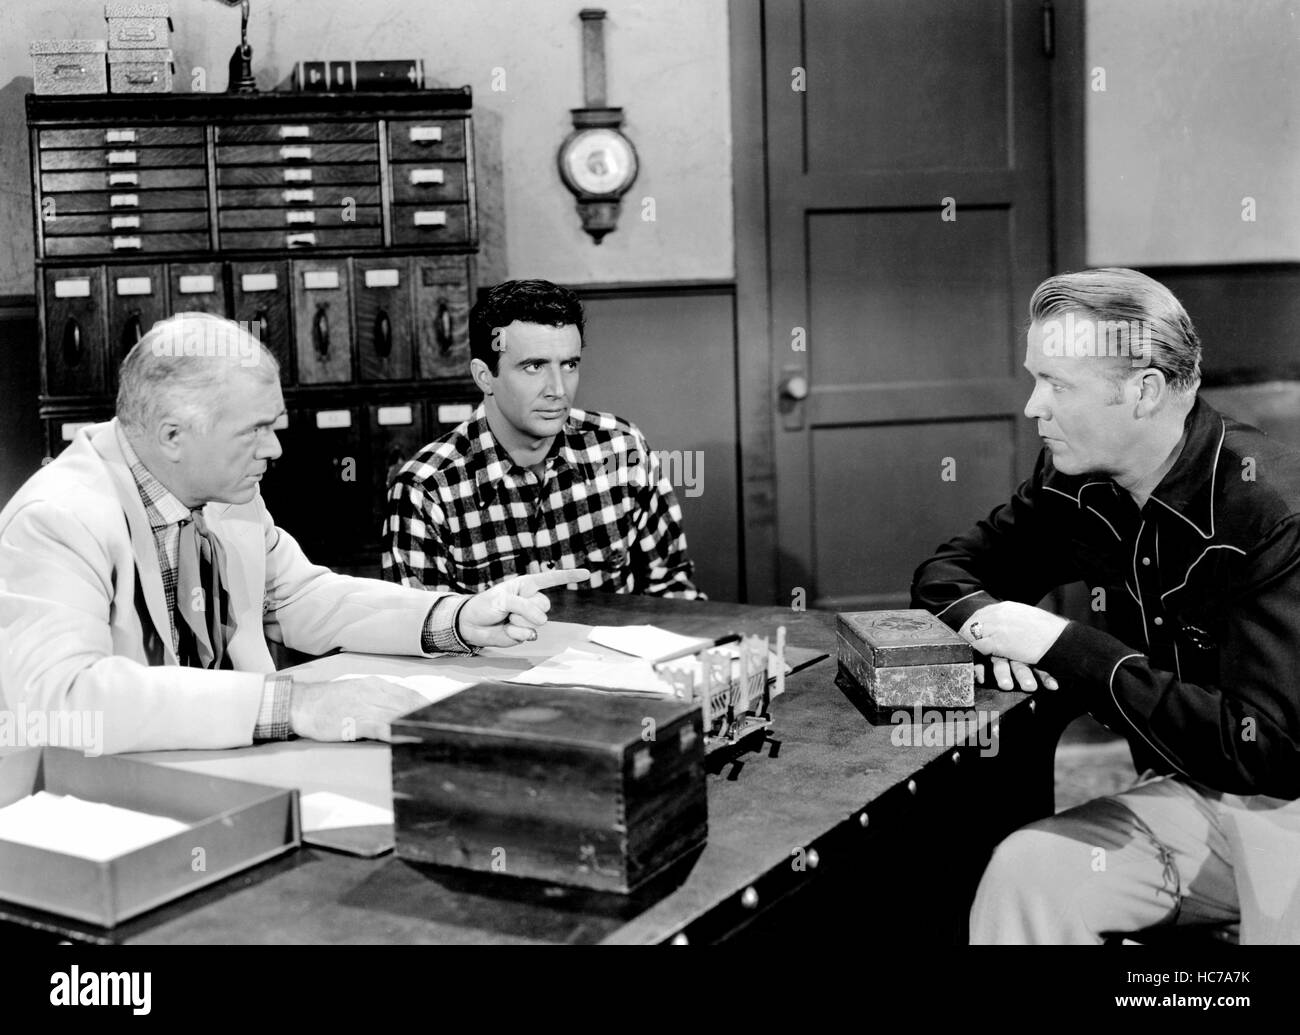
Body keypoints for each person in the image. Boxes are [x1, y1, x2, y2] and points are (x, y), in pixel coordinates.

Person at [911, 267, 1300, 944]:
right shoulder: (1080, 484)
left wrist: (1066, 645)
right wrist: (995, 626)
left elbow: (1267, 749)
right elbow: (949, 572)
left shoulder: (1269, 510)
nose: (1034, 406)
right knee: (1027, 873)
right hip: (1190, 799)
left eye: (1056, 383)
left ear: (1144, 392)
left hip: (1287, 805)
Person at [0, 312, 588, 755]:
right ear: (173, 435)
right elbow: (59, 699)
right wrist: (294, 704)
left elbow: (302, 598)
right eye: (255, 430)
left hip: (233, 767)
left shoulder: (225, 493)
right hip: (113, 793)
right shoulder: (59, 519)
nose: (274, 449)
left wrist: (454, 618)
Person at [383, 279, 701, 598]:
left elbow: (672, 592)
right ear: (484, 376)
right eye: (534, 366)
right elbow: (425, 632)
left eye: (569, 365)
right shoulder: (425, 490)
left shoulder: (622, 448)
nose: (558, 390)